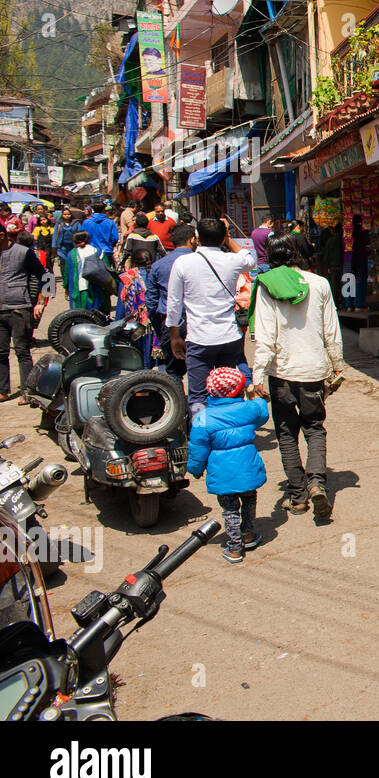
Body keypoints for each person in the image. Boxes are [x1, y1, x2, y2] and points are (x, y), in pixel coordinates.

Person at [251, 234, 344, 520]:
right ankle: (317, 484)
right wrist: (337, 365)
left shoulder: (267, 285)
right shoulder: (320, 283)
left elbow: (265, 335)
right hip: (314, 370)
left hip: (282, 373)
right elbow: (331, 330)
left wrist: (258, 374)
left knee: (286, 432)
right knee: (314, 427)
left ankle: (297, 495)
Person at [165, 217, 256, 415]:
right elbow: (250, 258)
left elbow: (173, 303)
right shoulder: (232, 260)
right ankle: (225, 429)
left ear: (197, 238)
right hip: (229, 337)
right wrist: (229, 239)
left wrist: (174, 335)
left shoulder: (183, 263)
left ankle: (201, 430)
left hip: (200, 338)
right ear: (223, 237)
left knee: (198, 395)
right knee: (226, 390)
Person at [186, 367, 269, 564]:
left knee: (230, 510)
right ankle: (248, 534)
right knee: (249, 500)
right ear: (239, 390)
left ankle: (234, 547)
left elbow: (198, 448)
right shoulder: (248, 409)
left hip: (222, 473)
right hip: (248, 467)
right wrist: (251, 395)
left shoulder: (203, 418)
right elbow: (262, 410)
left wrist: (195, 470)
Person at [0, 226, 50, 403]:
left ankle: (27, 392)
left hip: (19, 308)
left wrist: (40, 302)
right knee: (1, 351)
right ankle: (3, 390)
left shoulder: (23, 252)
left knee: (22, 350)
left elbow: (45, 275)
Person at [146, 224, 196, 383]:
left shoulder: (159, 265)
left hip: (170, 324)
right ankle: (199, 405)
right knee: (200, 369)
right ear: (192, 240)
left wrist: (160, 330)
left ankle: (179, 405)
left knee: (174, 372)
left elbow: (151, 303)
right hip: (198, 322)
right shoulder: (201, 262)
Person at [67, 231, 110, 313]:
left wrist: (67, 288)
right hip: (96, 288)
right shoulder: (98, 251)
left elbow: (68, 274)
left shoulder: (72, 254)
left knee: (81, 314)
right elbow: (107, 269)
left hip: (80, 288)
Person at [81, 202, 119, 267]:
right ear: (104, 210)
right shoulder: (110, 222)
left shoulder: (86, 222)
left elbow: (82, 236)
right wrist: (110, 245)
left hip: (90, 252)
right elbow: (115, 238)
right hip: (106, 252)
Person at [53, 208, 81, 292]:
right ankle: (66, 282)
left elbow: (80, 233)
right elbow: (55, 236)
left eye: (68, 214)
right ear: (62, 215)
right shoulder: (59, 224)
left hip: (73, 247)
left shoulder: (76, 223)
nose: (67, 216)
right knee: (63, 266)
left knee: (73, 264)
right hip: (62, 248)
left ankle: (73, 281)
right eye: (65, 214)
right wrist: (54, 247)